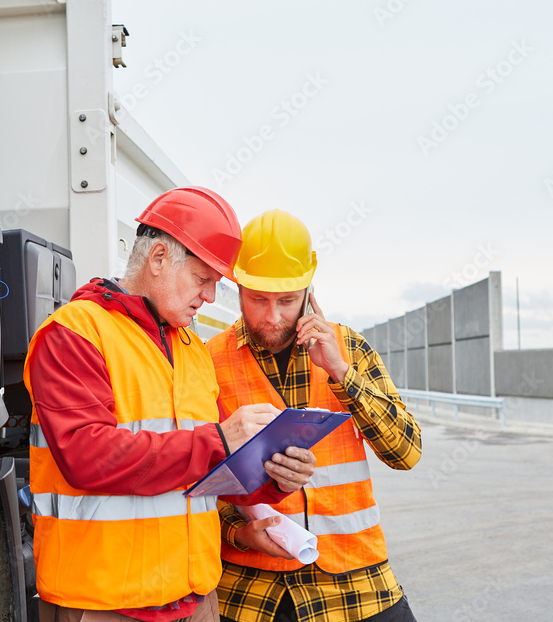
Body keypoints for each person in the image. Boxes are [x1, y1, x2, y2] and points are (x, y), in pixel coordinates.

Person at [24, 188, 318, 622]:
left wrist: (275, 478)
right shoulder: (74, 333)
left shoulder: (192, 351)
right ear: (158, 258)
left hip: (196, 600)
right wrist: (221, 438)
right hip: (106, 603)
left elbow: (215, 474)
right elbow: (88, 458)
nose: (211, 297)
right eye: (203, 279)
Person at [207, 210, 423, 622]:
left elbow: (406, 452)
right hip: (251, 588)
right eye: (258, 299)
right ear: (237, 288)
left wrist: (341, 373)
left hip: (354, 581)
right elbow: (192, 477)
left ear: (308, 291)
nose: (272, 317)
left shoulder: (349, 349)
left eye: (287, 301)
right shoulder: (207, 361)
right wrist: (237, 531)